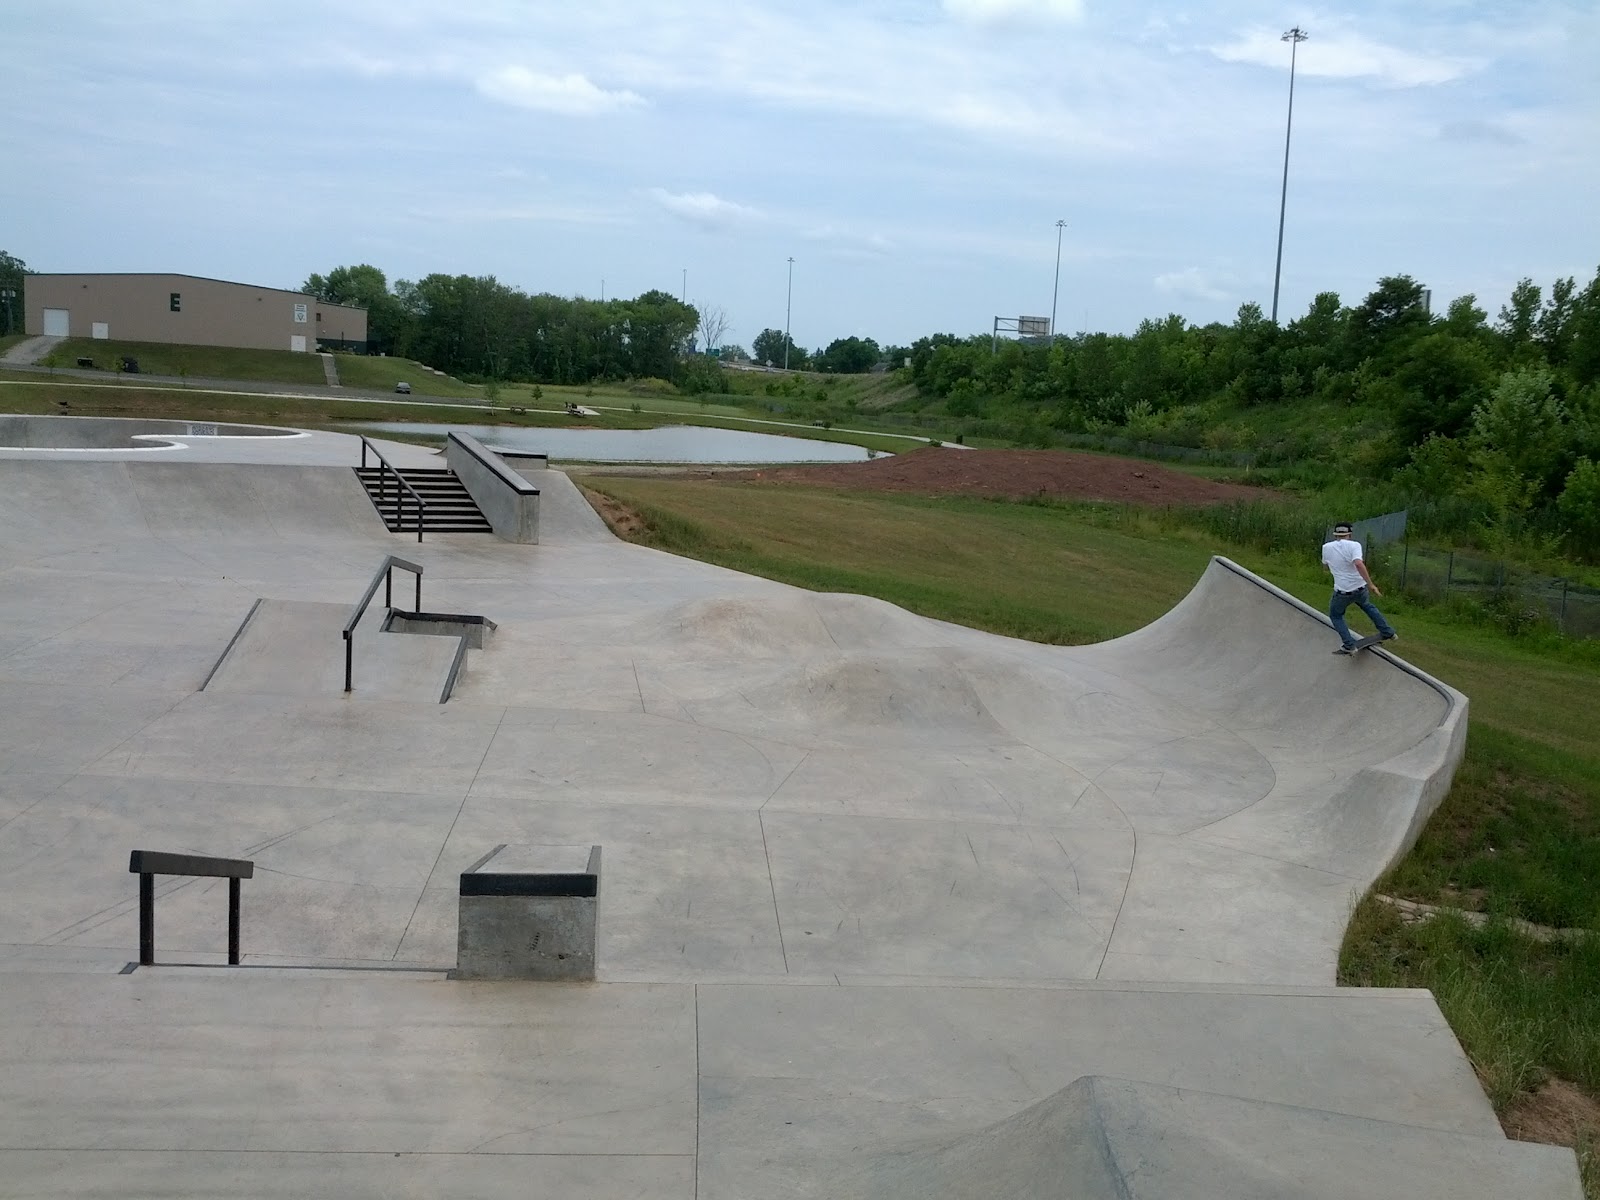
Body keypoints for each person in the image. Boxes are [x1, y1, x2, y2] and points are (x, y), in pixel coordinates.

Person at [1322, 522, 1397, 654]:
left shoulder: (1326, 547)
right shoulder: (1355, 545)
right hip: (1360, 588)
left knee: (1336, 616)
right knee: (1368, 606)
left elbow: (1326, 566)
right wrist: (1371, 584)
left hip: (1342, 591)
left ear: (1335, 534)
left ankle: (1349, 645)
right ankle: (1388, 632)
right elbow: (1358, 563)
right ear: (1349, 534)